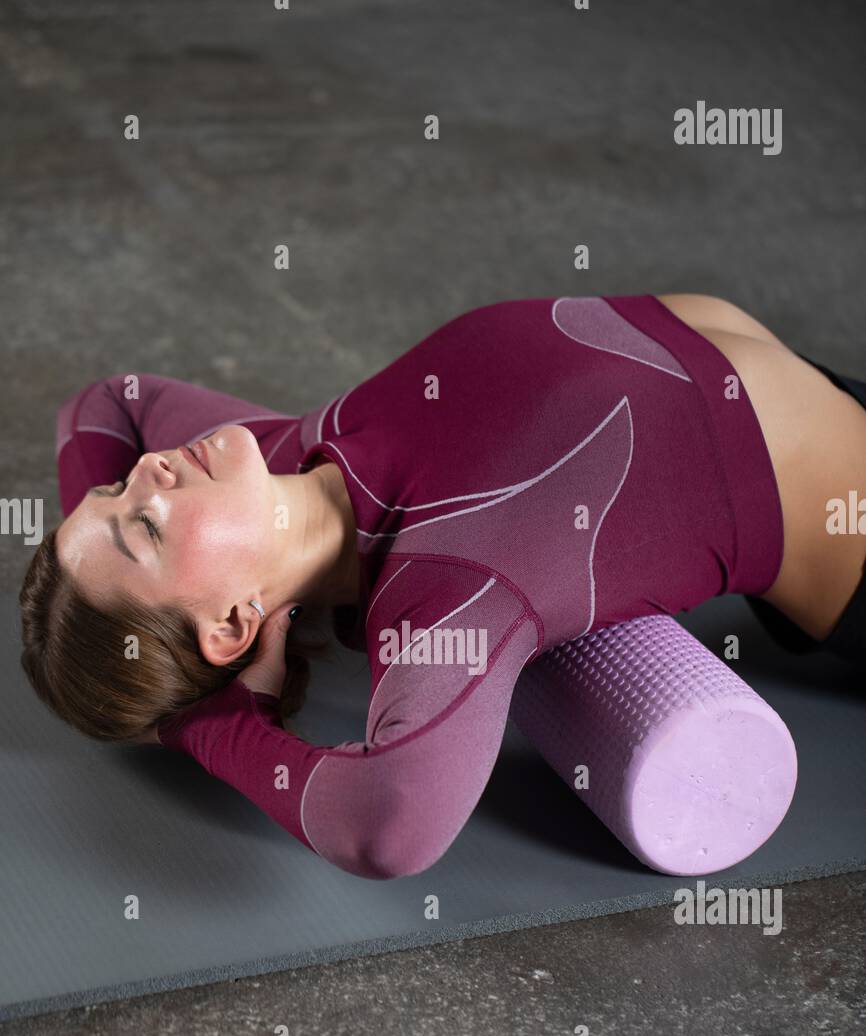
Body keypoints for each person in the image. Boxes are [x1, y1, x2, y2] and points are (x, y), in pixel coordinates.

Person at [19, 294, 866, 877]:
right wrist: (211, 721)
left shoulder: (278, 451)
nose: (149, 474)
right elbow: (389, 826)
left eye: (114, 490)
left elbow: (106, 404)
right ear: (236, 625)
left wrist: (123, 630)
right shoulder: (445, 596)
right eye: (145, 528)